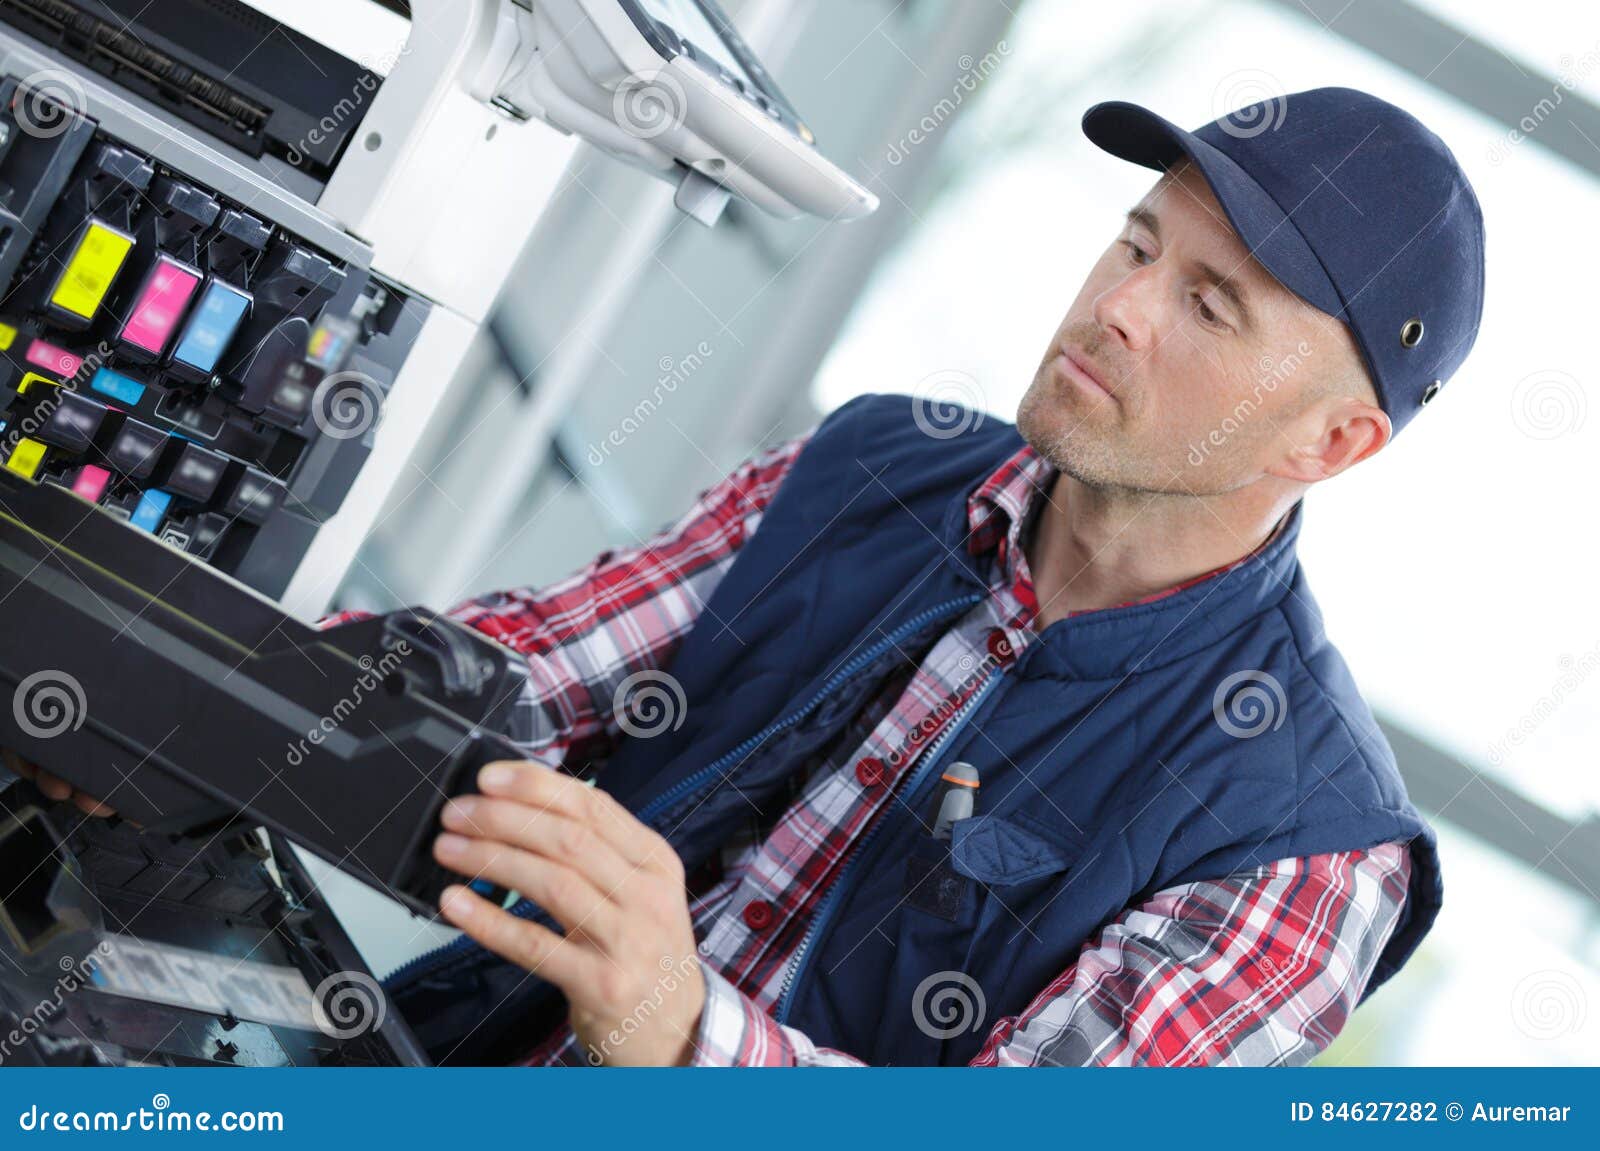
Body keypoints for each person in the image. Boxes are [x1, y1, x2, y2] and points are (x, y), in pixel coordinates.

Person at [7, 86, 1484, 1067]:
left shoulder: (1307, 848)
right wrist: (197, 712)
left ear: (1337, 440)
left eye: (1209, 303)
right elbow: (531, 673)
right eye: (1136, 243)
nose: (1119, 308)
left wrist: (680, 1025)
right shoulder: (872, 470)